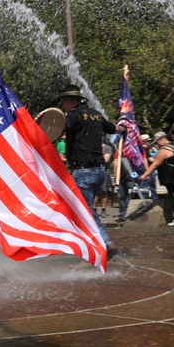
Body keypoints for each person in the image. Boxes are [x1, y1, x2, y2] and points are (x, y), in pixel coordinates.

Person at [56, 84, 122, 255]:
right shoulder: (96, 114)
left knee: (85, 211)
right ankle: (90, 244)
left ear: (70, 100)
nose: (61, 105)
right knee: (83, 209)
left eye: (62, 102)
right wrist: (124, 129)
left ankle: (106, 243)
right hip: (100, 171)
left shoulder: (72, 116)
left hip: (83, 171)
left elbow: (57, 128)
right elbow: (113, 128)